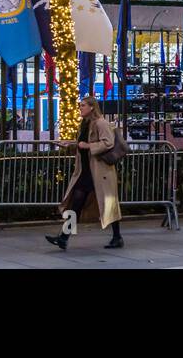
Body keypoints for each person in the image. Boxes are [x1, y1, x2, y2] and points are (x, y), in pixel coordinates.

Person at [46, 95, 123, 251]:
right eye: (80, 105)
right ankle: (64, 237)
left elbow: (108, 143)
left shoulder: (100, 123)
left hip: (101, 172)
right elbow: (82, 144)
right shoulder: (85, 123)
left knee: (108, 204)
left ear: (92, 107)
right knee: (77, 202)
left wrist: (87, 146)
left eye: (83, 105)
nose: (80, 108)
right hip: (87, 170)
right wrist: (70, 144)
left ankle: (117, 237)